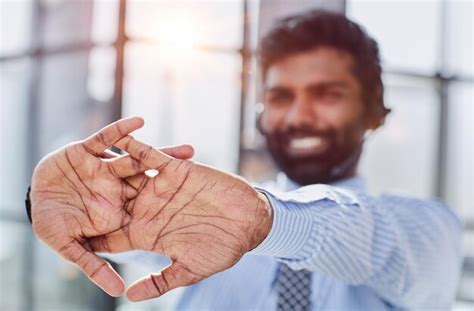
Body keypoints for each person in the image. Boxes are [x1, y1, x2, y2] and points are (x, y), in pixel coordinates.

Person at [28, 10, 462, 310]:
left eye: (328, 94)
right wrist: (60, 202)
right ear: (261, 115)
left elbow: (365, 239)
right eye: (280, 97)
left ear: (374, 113)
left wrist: (269, 223)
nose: (299, 116)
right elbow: (116, 221)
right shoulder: (194, 216)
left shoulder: (427, 230)